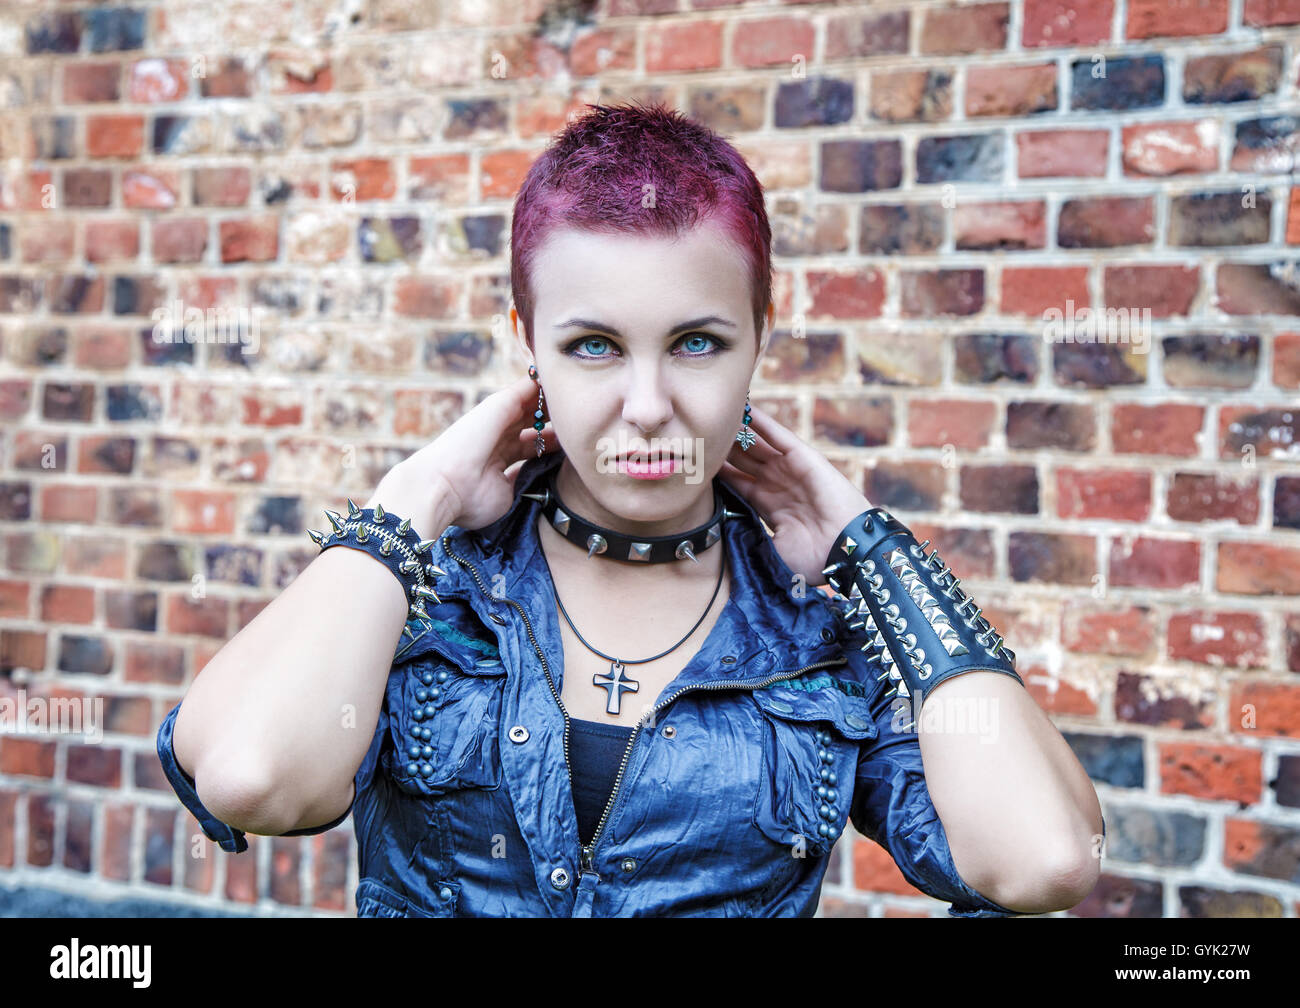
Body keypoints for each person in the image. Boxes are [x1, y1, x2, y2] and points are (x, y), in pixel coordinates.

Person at [156, 102, 1104, 917]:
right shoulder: (425, 588)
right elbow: (253, 777)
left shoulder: (825, 628)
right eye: (594, 346)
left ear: (758, 341)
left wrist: (877, 555)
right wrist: (422, 494)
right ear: (528, 344)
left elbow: (1044, 861)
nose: (647, 403)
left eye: (696, 343)